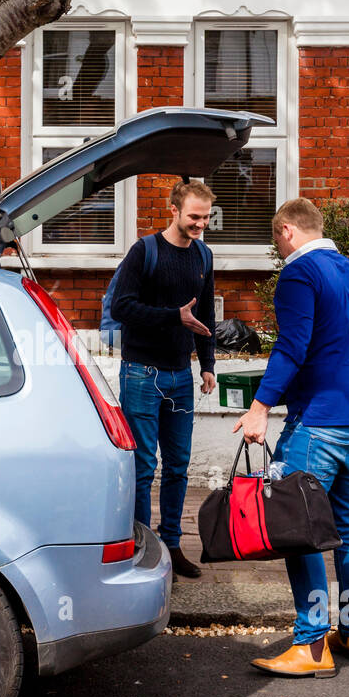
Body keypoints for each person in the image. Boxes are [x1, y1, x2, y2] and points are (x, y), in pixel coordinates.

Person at [233, 197, 349, 677]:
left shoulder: (299, 274)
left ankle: (310, 646)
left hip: (318, 427)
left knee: (299, 530)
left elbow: (291, 345)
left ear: (286, 230)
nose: (276, 248)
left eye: (274, 239)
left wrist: (261, 406)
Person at [111, 181, 218, 579]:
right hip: (141, 372)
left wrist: (207, 364)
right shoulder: (145, 251)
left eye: (206, 217)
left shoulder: (204, 256)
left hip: (180, 376)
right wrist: (173, 316)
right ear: (172, 210)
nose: (200, 224)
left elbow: (203, 312)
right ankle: (141, 546)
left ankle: (171, 545)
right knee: (142, 466)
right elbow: (122, 307)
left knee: (178, 466)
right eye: (194, 216)